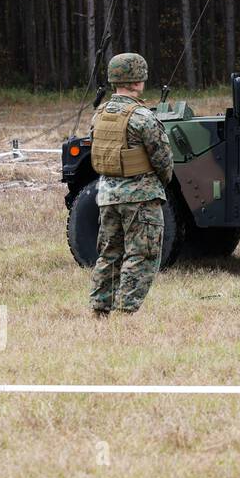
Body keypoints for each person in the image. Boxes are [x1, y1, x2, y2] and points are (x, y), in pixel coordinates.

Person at [89, 52, 173, 317]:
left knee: (109, 253)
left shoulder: (99, 114)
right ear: (137, 82)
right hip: (140, 198)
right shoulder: (142, 117)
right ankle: (125, 313)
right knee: (142, 255)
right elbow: (163, 159)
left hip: (107, 196)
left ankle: (100, 309)